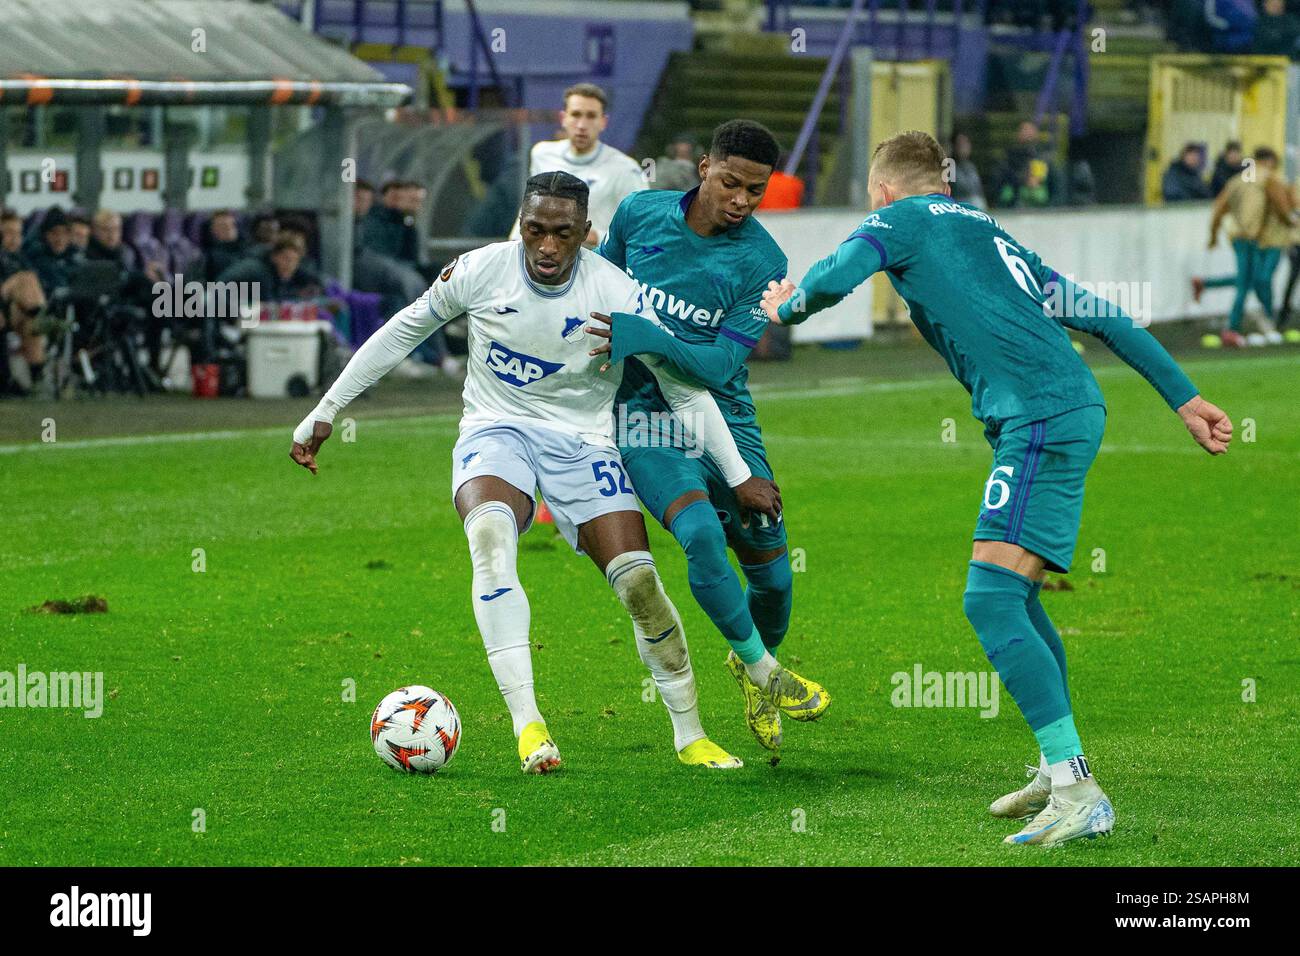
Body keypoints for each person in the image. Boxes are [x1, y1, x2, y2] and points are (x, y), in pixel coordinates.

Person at [761, 130, 1232, 847]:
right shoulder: (993, 234)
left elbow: (834, 276)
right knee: (1016, 595)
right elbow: (1100, 314)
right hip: (1062, 408)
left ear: (883, 189)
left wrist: (787, 307)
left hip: (1040, 416)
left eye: (871, 197)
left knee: (988, 596)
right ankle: (1057, 764)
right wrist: (1185, 397)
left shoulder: (899, 218)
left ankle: (1078, 789)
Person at [290, 172, 787, 773]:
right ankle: (530, 727)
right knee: (490, 539)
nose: (546, 247)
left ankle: (690, 735)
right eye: (535, 230)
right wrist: (326, 409)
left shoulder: (616, 291)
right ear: (521, 226)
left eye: (562, 233)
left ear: (584, 234)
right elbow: (403, 330)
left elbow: (683, 392)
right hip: (496, 429)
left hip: (584, 441)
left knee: (640, 584)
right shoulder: (480, 271)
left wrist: (736, 474)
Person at [590, 120, 831, 762]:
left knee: (774, 581)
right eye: (731, 183)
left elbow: (718, 368)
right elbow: (600, 294)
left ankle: (750, 667)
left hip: (726, 417)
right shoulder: (639, 215)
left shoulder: (764, 262)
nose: (742, 201)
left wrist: (647, 336)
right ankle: (765, 672)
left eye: (756, 190)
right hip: (643, 417)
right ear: (703, 167)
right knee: (698, 534)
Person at [516, 83, 647, 247]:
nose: (582, 125)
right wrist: (512, 247)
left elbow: (642, 231)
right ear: (563, 118)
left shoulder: (626, 169)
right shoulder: (541, 154)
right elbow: (528, 209)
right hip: (546, 260)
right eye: (576, 115)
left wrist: (593, 235)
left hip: (599, 263)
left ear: (603, 122)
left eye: (591, 116)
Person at [1192, 146, 1296, 340]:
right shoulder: (1269, 178)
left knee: (1248, 279)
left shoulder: (1235, 181)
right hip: (1259, 239)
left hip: (1238, 237)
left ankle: (1207, 285)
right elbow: (1283, 207)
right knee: (1256, 280)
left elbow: (1219, 208)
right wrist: (1291, 222)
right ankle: (1250, 324)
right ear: (1270, 162)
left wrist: (1213, 235)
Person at [0, 210, 48, 395]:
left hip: (13, 311)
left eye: (18, 234)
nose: (14, 239)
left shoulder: (21, 258)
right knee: (25, 278)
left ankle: (37, 380)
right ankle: (42, 316)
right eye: (9, 233)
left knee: (31, 324)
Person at [948, 132, 987, 210]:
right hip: (958, 209)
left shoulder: (971, 166)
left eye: (966, 143)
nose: (964, 147)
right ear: (954, 146)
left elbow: (978, 190)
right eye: (961, 144)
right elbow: (946, 192)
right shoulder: (949, 166)